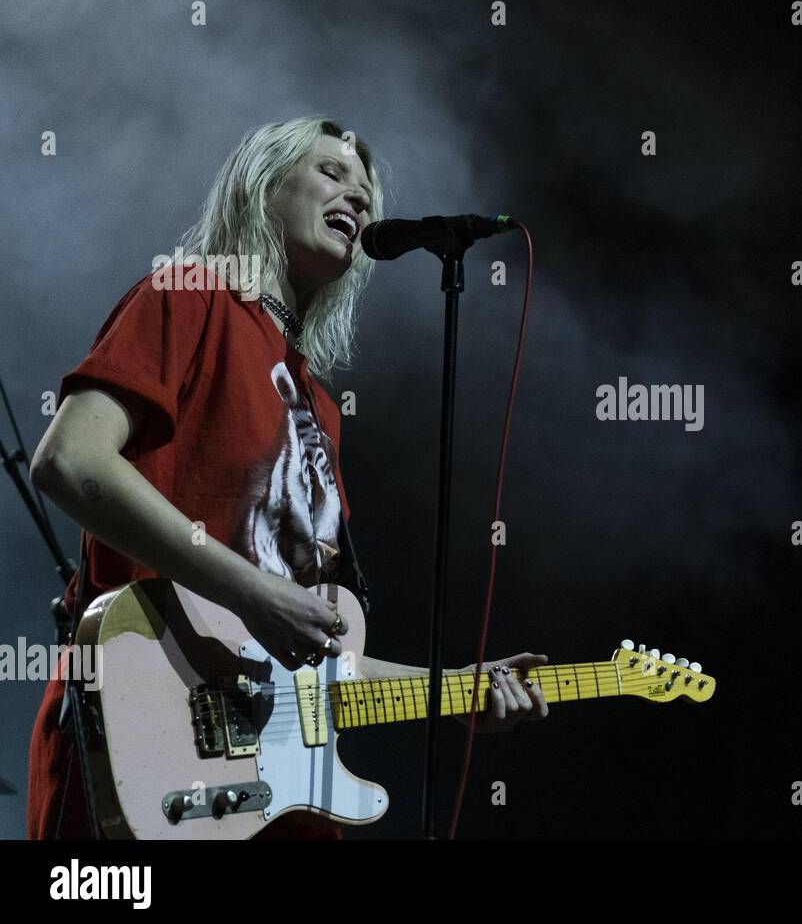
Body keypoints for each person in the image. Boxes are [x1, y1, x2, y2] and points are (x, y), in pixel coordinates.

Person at [26, 117, 547, 839]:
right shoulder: (190, 295)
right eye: (332, 173)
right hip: (138, 747)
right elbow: (70, 459)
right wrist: (250, 590)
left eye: (366, 191)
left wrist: (458, 693)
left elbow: (312, 665)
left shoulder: (320, 407)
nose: (359, 199)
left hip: (268, 796)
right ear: (263, 187)